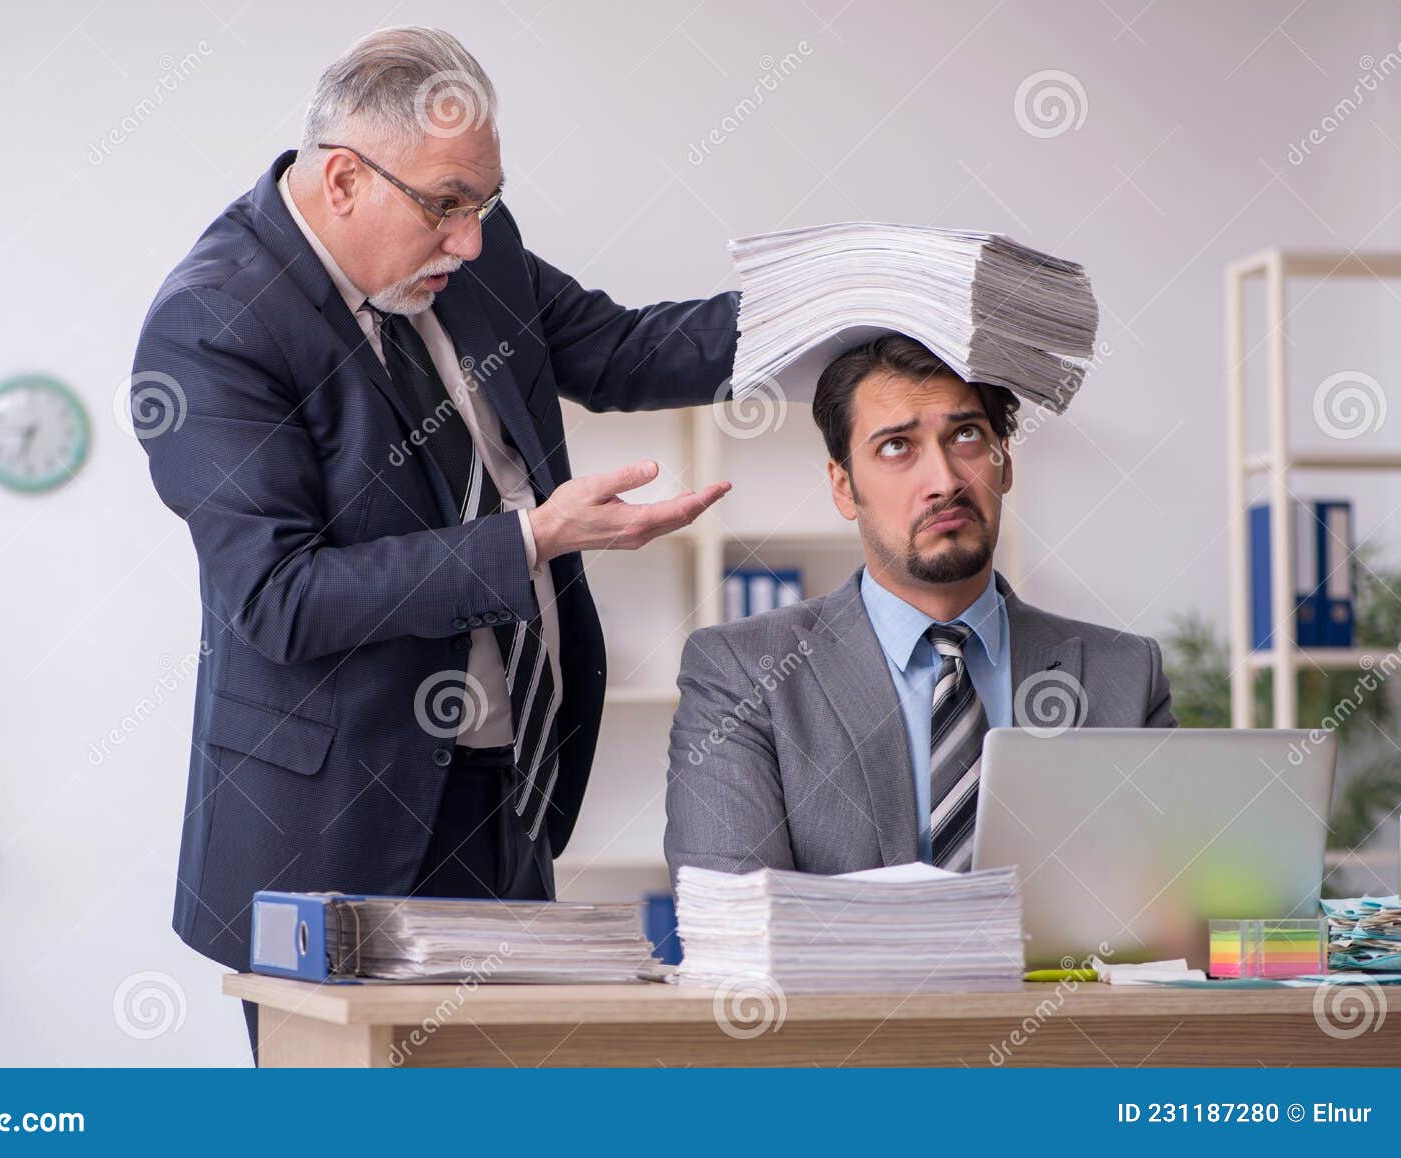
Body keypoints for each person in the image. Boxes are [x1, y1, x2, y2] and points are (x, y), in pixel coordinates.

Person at [131, 27, 737, 1062]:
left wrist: (829, 305)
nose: (469, 239)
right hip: (331, 826)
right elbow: (278, 597)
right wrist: (531, 541)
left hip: (507, 787)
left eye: (483, 205)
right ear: (342, 180)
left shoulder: (474, 253)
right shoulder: (211, 325)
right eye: (446, 205)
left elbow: (626, 352)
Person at [664, 333, 1175, 881]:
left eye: (966, 435)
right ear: (843, 487)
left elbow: (1163, 900)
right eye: (896, 446)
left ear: (1004, 463)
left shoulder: (1125, 672)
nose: (946, 481)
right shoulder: (742, 671)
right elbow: (737, 922)